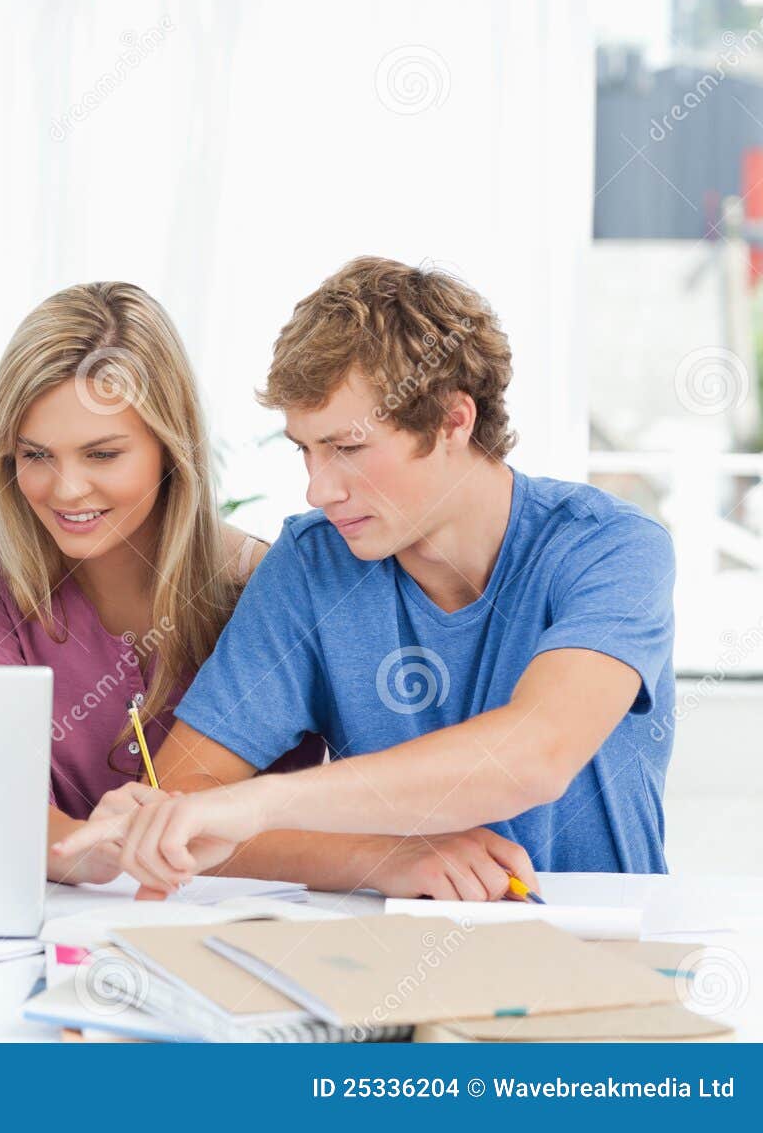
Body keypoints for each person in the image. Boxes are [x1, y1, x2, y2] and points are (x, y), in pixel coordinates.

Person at [59, 257, 674, 898]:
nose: (318, 487)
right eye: (306, 448)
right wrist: (379, 857)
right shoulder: (312, 565)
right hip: (389, 953)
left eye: (348, 448)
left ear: (452, 421)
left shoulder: (609, 547)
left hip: (599, 939)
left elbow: (536, 755)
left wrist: (261, 804)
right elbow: (184, 799)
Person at [0, 281, 297, 887]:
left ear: (170, 447)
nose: (65, 490)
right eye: (35, 455)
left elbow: (297, 818)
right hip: (55, 926)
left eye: (103, 454)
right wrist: (95, 850)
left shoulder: (261, 585)